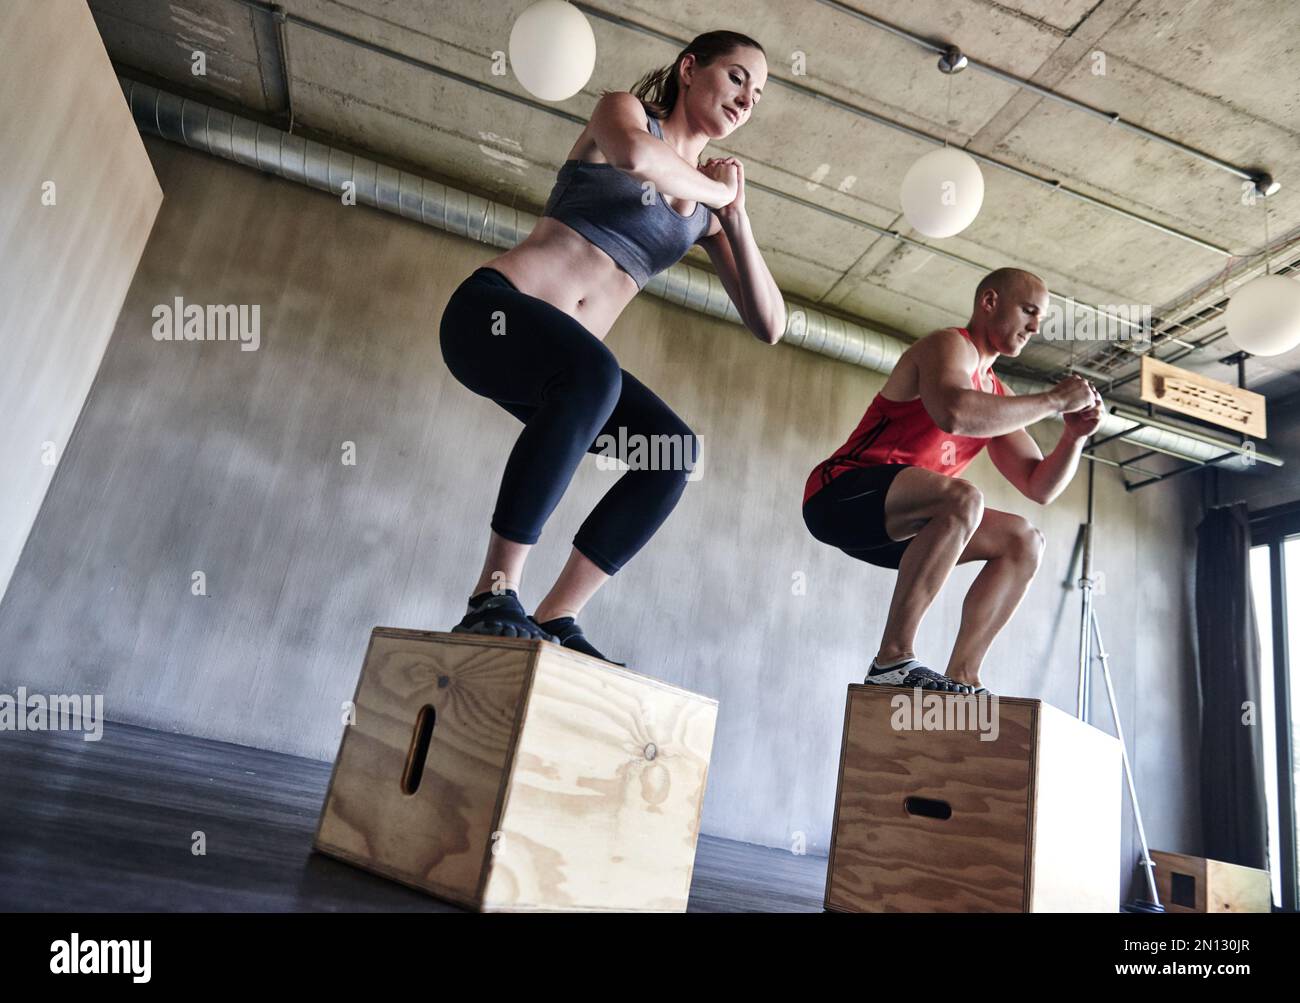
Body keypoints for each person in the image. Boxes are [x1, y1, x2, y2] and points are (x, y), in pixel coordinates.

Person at [439, 31, 785, 663]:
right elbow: (634, 157)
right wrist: (717, 192)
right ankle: (495, 592)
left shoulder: (711, 211)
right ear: (689, 69)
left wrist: (737, 217)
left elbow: (770, 324)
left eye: (758, 94)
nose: (747, 100)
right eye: (737, 78)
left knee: (671, 451)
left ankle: (557, 612)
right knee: (594, 374)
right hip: (489, 316)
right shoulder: (624, 111)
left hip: (565, 376)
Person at [802, 268, 1103, 694]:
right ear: (990, 302)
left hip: (901, 532)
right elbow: (955, 413)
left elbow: (1040, 485)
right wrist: (1053, 400)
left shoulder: (996, 393)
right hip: (840, 496)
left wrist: (1073, 436)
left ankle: (963, 675)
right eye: (1029, 311)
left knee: (1024, 540)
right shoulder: (948, 345)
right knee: (963, 499)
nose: (1036, 327)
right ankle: (892, 659)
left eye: (1040, 319)